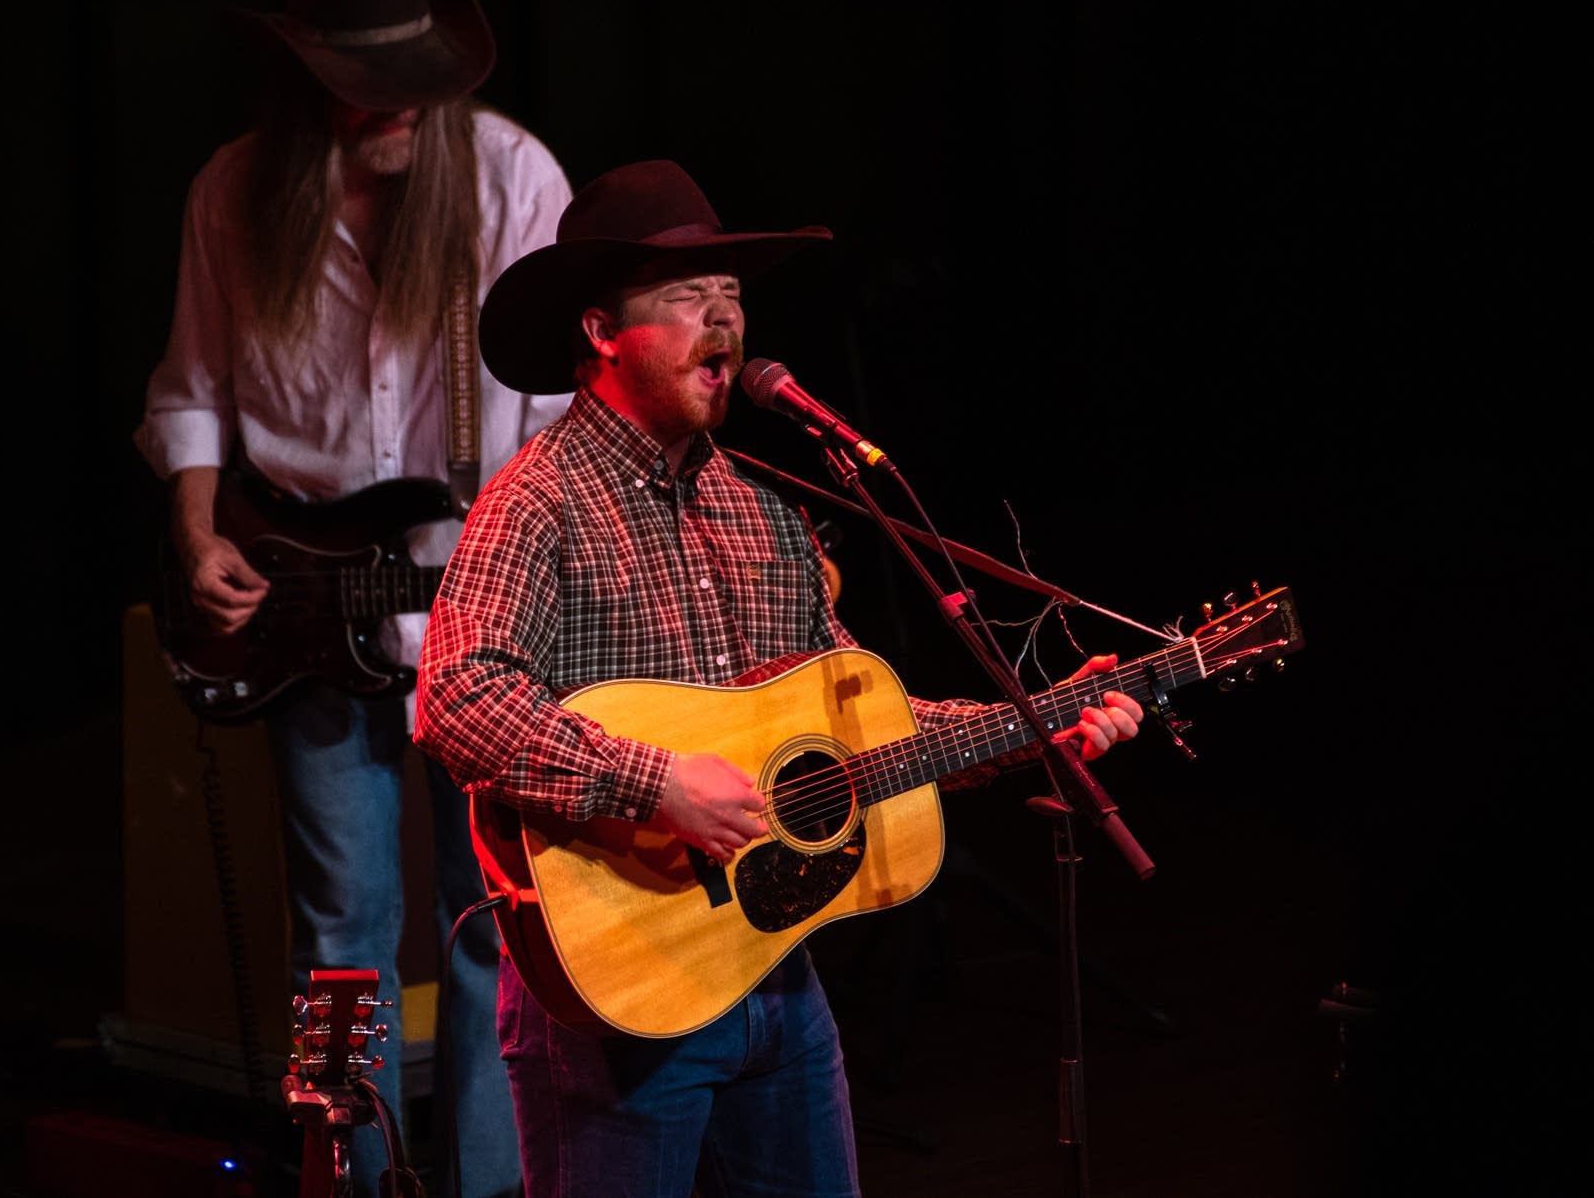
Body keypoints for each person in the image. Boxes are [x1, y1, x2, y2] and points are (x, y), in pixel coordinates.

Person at [412, 159, 1146, 1197]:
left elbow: (854, 713)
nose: (723, 322)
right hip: (615, 987)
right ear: (600, 331)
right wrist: (654, 781)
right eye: (686, 299)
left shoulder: (763, 510)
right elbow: (457, 697)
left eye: (733, 297)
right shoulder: (537, 504)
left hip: (775, 975)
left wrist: (1036, 723)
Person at [134, 0, 572, 1198]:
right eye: (357, 77)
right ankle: (361, 1181)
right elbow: (194, 387)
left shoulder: (509, 180)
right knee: (340, 933)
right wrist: (200, 527)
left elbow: (561, 411)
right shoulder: (234, 188)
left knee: (495, 921)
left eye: (407, 78)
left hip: (480, 603)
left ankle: (491, 1185)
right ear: (305, 71)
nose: (386, 107)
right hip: (303, 605)